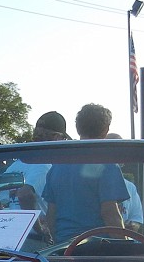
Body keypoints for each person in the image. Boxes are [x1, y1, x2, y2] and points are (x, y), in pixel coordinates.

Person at [42, 104, 129, 242]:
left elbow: (51, 216)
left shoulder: (57, 167)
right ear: (105, 130)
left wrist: (59, 246)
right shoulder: (107, 165)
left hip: (64, 250)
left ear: (77, 128)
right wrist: (125, 247)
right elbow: (110, 213)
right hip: (98, 251)